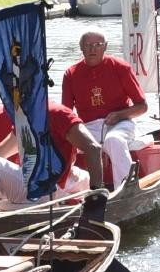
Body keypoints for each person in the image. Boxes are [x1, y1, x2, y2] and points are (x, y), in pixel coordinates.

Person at [60, 28, 150, 186]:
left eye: (98, 45)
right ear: (81, 47)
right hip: (88, 126)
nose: (92, 49)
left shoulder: (121, 67)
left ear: (105, 46)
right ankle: (65, 188)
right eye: (88, 45)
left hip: (121, 124)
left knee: (113, 140)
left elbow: (142, 106)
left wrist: (119, 115)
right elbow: (65, 113)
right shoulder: (71, 73)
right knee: (62, 143)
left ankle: (125, 186)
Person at [0, 94, 95, 205]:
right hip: (49, 187)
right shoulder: (29, 116)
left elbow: (93, 148)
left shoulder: (57, 113)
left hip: (43, 189)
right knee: (84, 177)